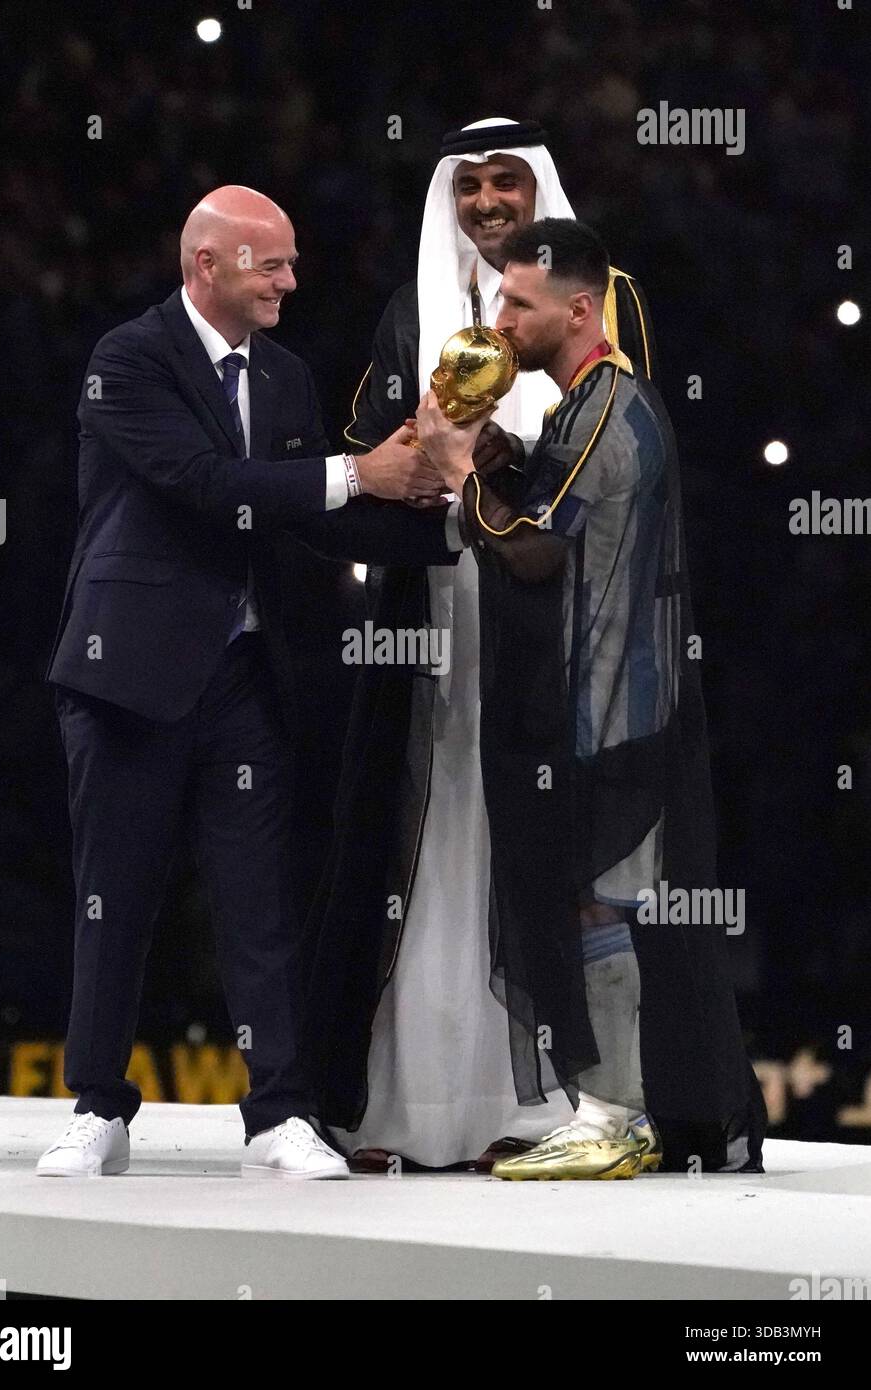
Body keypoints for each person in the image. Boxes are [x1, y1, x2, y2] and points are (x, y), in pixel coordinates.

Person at [37, 185, 462, 1181]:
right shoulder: (127, 360)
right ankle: (97, 1105)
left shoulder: (283, 376)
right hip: (128, 674)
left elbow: (306, 514)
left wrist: (451, 523)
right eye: (270, 263)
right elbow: (204, 484)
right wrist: (364, 471)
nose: (289, 280)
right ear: (206, 266)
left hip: (245, 674)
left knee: (260, 899)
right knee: (117, 897)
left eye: (291, 261)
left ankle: (277, 1114)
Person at [304, 119, 654, 1172]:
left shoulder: (605, 301)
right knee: (423, 826)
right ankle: (404, 1108)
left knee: (535, 835)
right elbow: (363, 459)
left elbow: (619, 454)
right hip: (428, 615)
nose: (491, 202)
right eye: (472, 188)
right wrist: (425, 449)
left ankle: (554, 1107)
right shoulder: (409, 315)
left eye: (509, 183)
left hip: (548, 610)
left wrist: (508, 457)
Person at [413, 218, 767, 1177]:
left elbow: (535, 552)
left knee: (607, 903)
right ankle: (628, 1112)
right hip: (602, 697)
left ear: (576, 309)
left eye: (517, 303)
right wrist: (497, 463)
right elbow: (549, 509)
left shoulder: (609, 409)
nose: (501, 320)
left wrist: (454, 472)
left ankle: (623, 1117)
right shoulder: (582, 406)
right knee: (599, 904)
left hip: (615, 703)